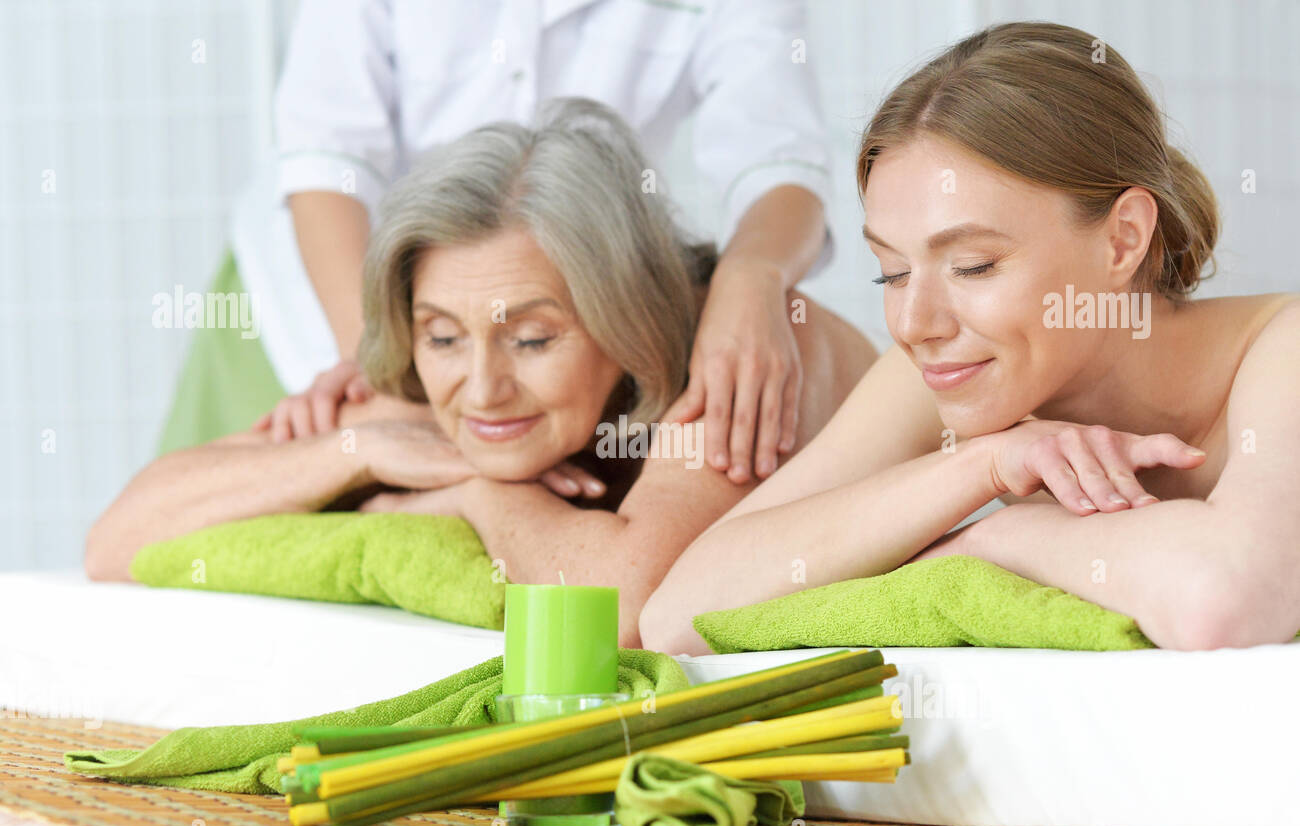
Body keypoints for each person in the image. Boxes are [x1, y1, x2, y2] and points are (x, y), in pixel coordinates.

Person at [88, 100, 875, 647]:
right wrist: (352, 453)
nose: (482, 388)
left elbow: (627, 608)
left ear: (627, 317)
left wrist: (470, 489)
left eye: (533, 340)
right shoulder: (439, 379)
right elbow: (118, 540)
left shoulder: (727, 358)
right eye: (440, 337)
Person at [641, 22, 1300, 654]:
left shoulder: (1282, 350)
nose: (913, 324)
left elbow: (1225, 601)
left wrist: (996, 537)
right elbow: (678, 615)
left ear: (1123, 237)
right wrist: (979, 465)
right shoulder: (954, 370)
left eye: (973, 266)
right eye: (892, 273)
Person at [164, 0, 838, 489]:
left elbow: (777, 163)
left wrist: (752, 280)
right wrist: (388, 360)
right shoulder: (403, 351)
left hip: (565, 322)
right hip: (323, 296)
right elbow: (327, 160)